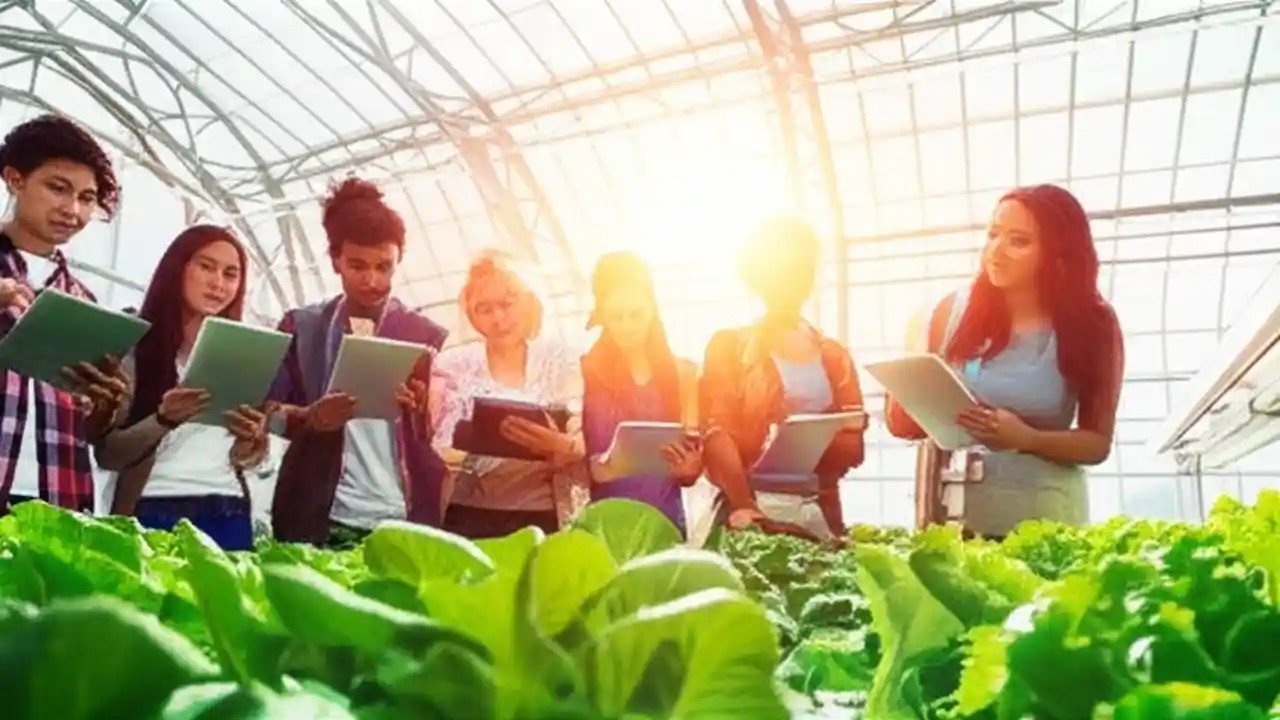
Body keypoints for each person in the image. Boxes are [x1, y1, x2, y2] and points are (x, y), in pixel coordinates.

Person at [885, 184, 1124, 539]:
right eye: (993, 234)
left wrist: (1028, 439)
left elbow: (1097, 443)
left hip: (1046, 524)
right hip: (955, 521)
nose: (996, 250)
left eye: (1019, 241)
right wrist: (911, 393)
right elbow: (902, 424)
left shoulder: (1094, 326)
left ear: (1058, 253)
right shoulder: (949, 312)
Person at [267, 177, 448, 548]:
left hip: (407, 515)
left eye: (384, 266)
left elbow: (438, 435)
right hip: (322, 513)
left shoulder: (424, 335)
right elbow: (267, 412)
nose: (372, 280)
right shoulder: (302, 330)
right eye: (358, 265)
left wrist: (421, 411)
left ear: (398, 260)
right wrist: (309, 417)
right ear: (336, 260)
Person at [94, 225, 271, 550]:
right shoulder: (135, 350)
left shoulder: (244, 353)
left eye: (230, 274)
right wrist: (162, 419)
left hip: (229, 507)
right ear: (177, 269)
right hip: (153, 506)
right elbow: (109, 454)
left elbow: (249, 457)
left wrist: (254, 439)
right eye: (206, 267)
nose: (218, 283)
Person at [700, 216, 866, 542]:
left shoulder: (834, 355)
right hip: (749, 513)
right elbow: (717, 433)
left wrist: (818, 437)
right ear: (756, 276)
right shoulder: (728, 346)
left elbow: (853, 448)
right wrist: (744, 505)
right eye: (779, 270)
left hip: (818, 512)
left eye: (799, 269)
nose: (789, 281)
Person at [0, 114, 131, 514]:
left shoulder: (83, 302)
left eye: (86, 198)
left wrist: (104, 406)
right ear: (15, 179)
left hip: (57, 493)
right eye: (58, 188)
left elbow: (90, 429)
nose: (72, 209)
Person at [431, 251, 586, 539]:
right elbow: (436, 444)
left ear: (527, 303)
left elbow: (584, 434)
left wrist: (560, 445)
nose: (498, 318)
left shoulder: (561, 360)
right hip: (469, 515)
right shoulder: (451, 364)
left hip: (544, 514)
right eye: (484, 309)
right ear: (471, 315)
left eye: (507, 304)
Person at [581, 252, 700, 534]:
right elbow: (576, 459)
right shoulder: (584, 372)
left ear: (653, 310)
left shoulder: (683, 373)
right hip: (606, 522)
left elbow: (692, 460)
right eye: (616, 316)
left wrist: (690, 469)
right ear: (602, 316)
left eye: (636, 315)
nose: (627, 326)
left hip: (664, 520)